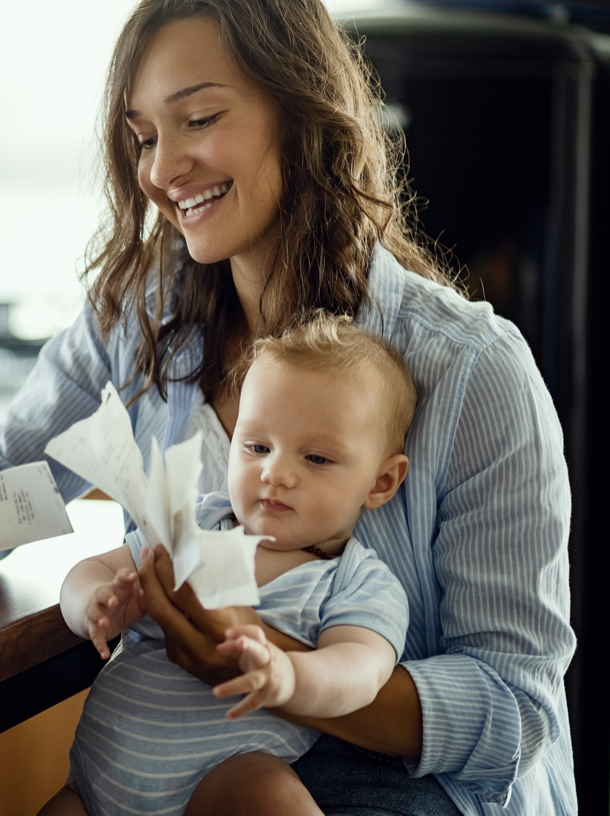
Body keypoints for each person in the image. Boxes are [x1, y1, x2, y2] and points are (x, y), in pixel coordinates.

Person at [0, 0, 575, 815]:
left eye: (199, 119)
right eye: (144, 135)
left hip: (404, 786)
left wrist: (278, 669)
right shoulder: (141, 318)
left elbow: (513, 707)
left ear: (301, 118)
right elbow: (5, 486)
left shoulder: (471, 368)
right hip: (168, 762)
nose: (159, 170)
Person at [48, 314, 415, 816]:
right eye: (258, 447)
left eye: (317, 459)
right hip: (93, 786)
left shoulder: (356, 582)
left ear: (380, 483)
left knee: (269, 795)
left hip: (219, 783)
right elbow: (87, 570)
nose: (275, 472)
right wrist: (95, 602)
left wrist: (288, 676)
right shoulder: (198, 523)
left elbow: (361, 671)